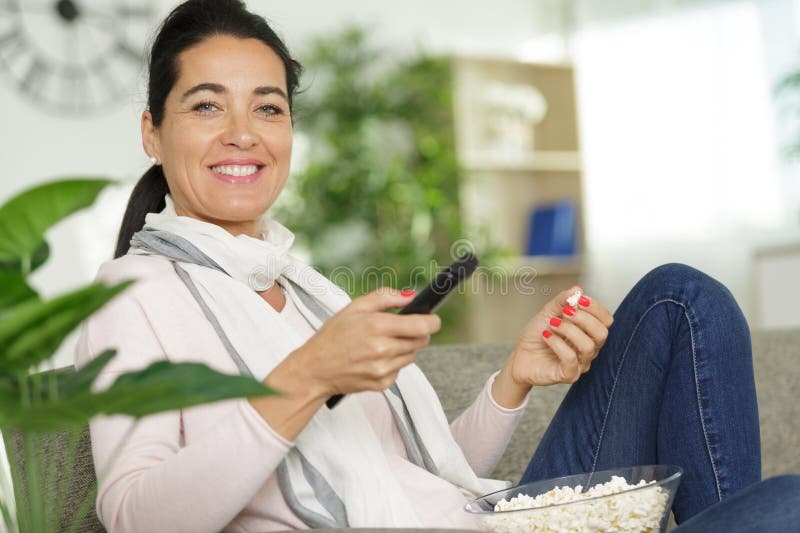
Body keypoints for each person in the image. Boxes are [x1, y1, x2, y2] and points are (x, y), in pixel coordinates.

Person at [75, 0, 800, 531]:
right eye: (207, 105)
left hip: (481, 519)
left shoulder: (303, 286)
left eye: (268, 108)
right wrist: (309, 374)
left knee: (682, 299)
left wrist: (514, 378)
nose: (243, 134)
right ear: (152, 131)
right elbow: (135, 515)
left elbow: (422, 477)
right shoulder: (131, 295)